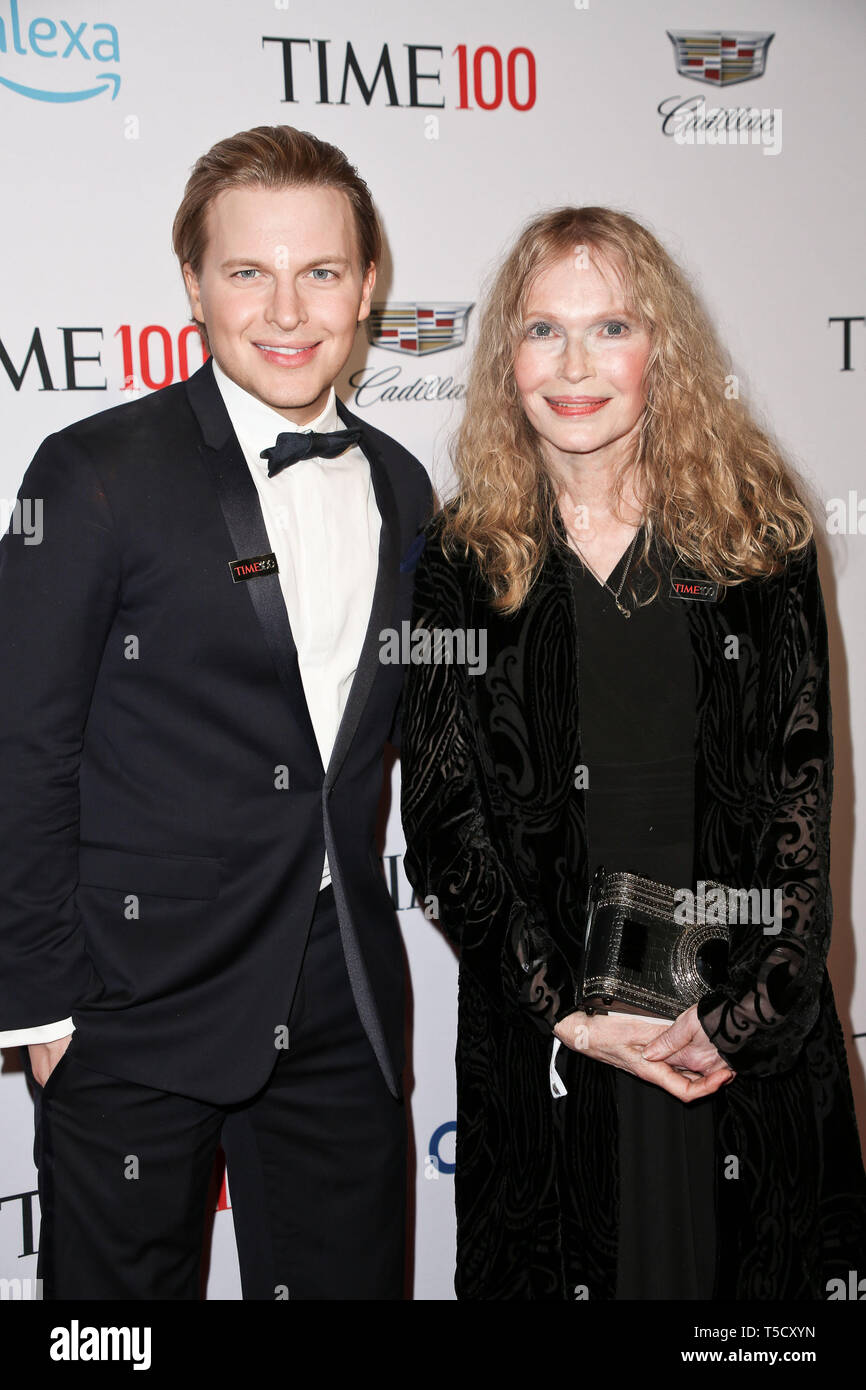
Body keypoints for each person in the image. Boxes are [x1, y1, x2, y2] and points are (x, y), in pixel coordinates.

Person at [400, 206, 866, 1300]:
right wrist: (567, 1009)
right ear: (504, 358)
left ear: (663, 347)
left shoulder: (761, 536)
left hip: (739, 1035)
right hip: (554, 1040)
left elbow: (802, 807)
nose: (573, 366)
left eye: (609, 327)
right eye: (541, 331)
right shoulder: (459, 562)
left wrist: (742, 1017)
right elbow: (442, 823)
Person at [0, 124, 432, 1300]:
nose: (286, 309)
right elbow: (22, 742)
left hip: (339, 995)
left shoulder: (399, 481)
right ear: (191, 282)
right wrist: (40, 1001)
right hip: (135, 1002)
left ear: (369, 283)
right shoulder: (93, 471)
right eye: (248, 271)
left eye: (321, 271)